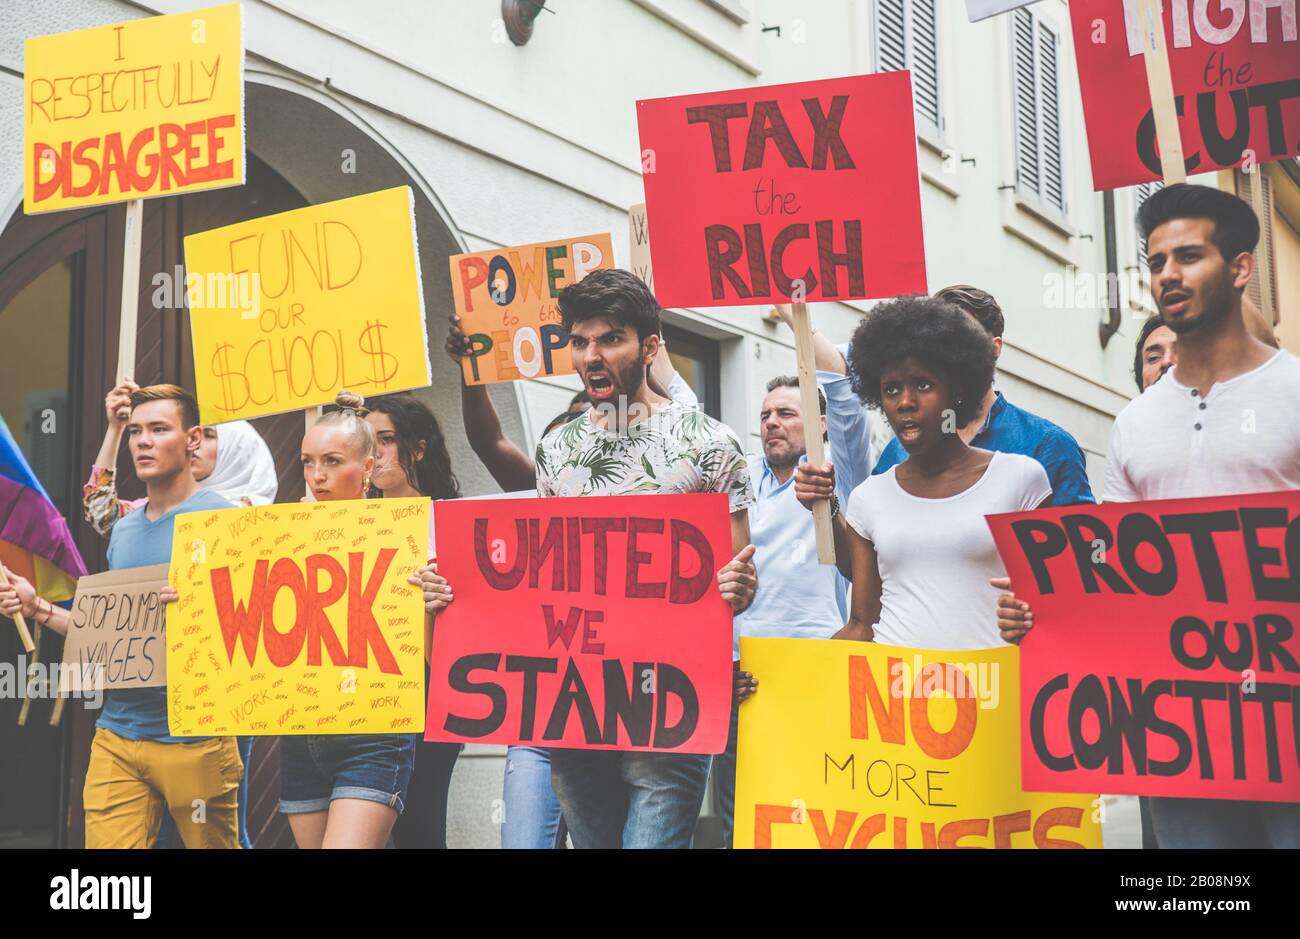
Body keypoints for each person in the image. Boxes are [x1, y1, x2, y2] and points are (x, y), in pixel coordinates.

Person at [996, 183, 1300, 849]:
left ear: (1241, 267)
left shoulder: (1294, 393)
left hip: (1289, 713)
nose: (1167, 274)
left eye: (1188, 255)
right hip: (1179, 724)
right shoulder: (1134, 424)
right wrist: (1046, 608)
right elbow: (1118, 574)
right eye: (1156, 260)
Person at [423, 269, 758, 849]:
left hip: (667, 710)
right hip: (575, 708)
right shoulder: (558, 449)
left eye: (610, 340)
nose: (591, 356)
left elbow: (738, 583)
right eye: (580, 342)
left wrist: (738, 583)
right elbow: (536, 578)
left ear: (650, 346)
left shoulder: (710, 445)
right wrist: (456, 593)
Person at [2, 385, 242, 848]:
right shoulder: (125, 528)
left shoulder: (224, 519)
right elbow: (105, 632)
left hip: (197, 740)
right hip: (118, 734)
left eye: (158, 429)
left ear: (193, 438)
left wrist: (199, 609)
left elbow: (254, 627)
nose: (142, 442)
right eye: (135, 431)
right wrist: (36, 606)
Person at [796, 295, 1052, 652]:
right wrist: (780, 681)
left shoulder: (1022, 480)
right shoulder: (868, 497)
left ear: (958, 389)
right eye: (891, 389)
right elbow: (861, 624)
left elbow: (1059, 610)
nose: (905, 402)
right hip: (895, 698)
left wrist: (1030, 617)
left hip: (992, 697)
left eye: (923, 385)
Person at [712, 308, 873, 848]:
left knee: (813, 818)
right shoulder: (736, 479)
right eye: (765, 415)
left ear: (819, 425)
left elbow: (846, 394)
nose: (772, 423)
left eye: (787, 411)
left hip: (812, 673)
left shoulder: (837, 473)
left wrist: (796, 317)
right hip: (739, 680)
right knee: (742, 821)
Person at [279, 391, 418, 849]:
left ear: (369, 467)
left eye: (333, 461)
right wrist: (191, 597)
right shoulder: (277, 539)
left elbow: (426, 649)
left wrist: (432, 601)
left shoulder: (402, 537)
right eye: (307, 462)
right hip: (300, 732)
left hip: (373, 734)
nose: (317, 476)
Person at [871, 286, 1094, 507]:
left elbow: (1080, 538)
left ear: (994, 348)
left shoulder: (1048, 445)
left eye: (962, 339)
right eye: (937, 342)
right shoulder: (899, 449)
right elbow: (867, 528)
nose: (947, 354)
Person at [363, 392, 463, 849]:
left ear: (418, 448)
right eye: (365, 442)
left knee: (420, 822)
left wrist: (444, 596)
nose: (374, 452)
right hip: (361, 690)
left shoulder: (454, 522)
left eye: (385, 439)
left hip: (430, 690)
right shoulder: (343, 520)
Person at [84, 380, 278, 535]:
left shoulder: (247, 520)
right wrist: (116, 427)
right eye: (135, 431)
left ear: (237, 454)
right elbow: (103, 515)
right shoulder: (156, 509)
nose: (196, 444)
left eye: (208, 435)